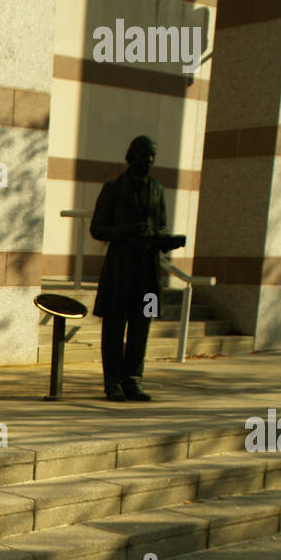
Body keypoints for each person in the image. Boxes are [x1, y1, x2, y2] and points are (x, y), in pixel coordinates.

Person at [89, 135, 185, 402]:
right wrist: (126, 231)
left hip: (148, 273)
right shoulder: (113, 188)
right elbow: (97, 228)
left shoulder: (157, 189)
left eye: (153, 155)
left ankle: (133, 379)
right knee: (114, 326)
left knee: (142, 325)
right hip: (119, 270)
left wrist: (166, 240)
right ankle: (112, 382)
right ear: (131, 157)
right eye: (145, 155)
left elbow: (161, 225)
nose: (149, 160)